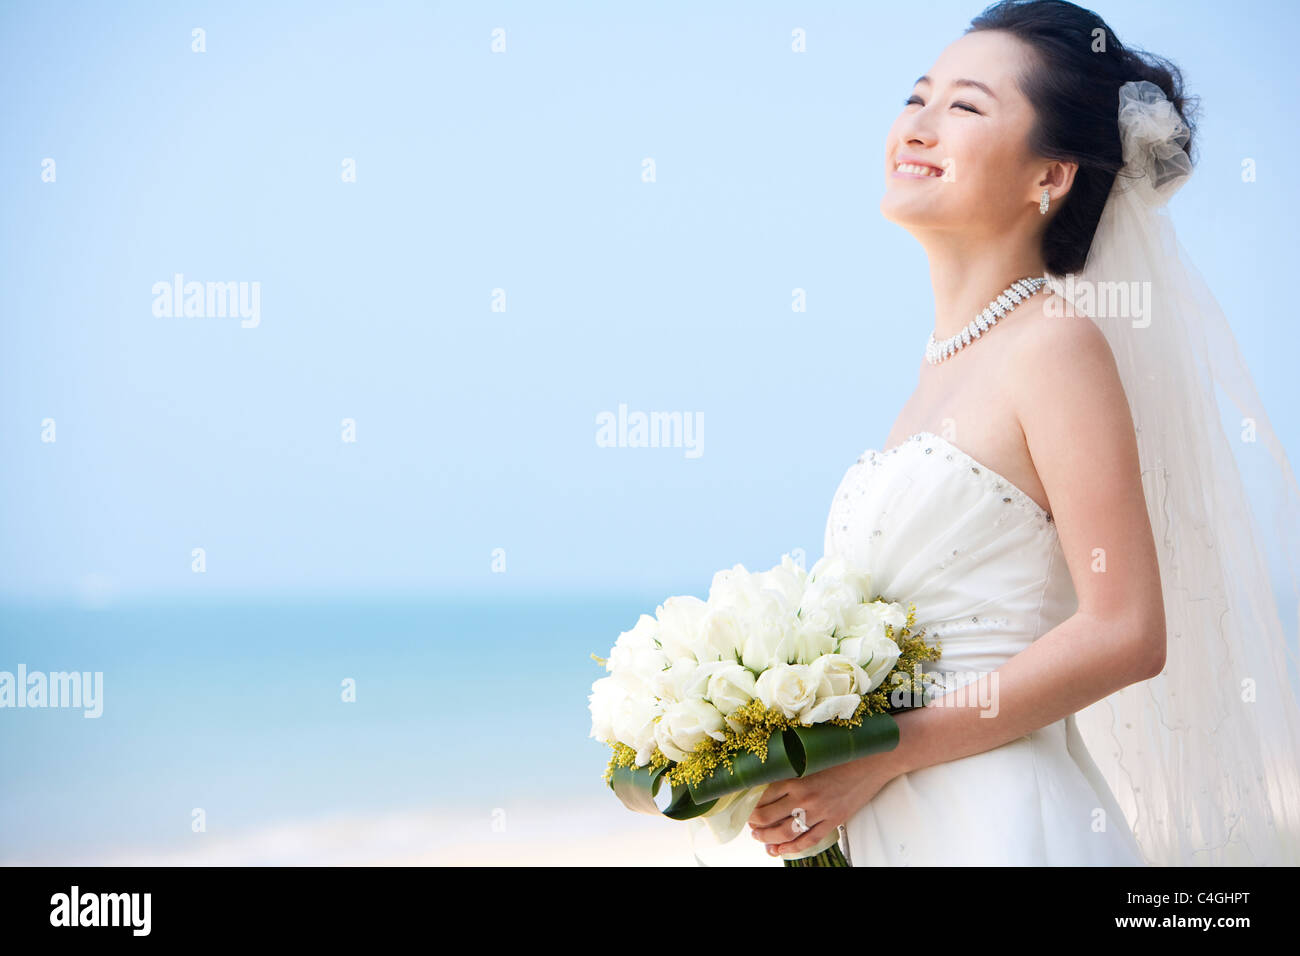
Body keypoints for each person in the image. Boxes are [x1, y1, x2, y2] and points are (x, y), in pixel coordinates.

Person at [747, 0, 1300, 866]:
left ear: (1051, 176)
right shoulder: (940, 370)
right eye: (917, 96)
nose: (920, 125)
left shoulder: (1056, 345)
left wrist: (880, 756)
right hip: (902, 819)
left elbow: (1127, 630)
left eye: (965, 107)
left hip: (997, 822)